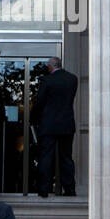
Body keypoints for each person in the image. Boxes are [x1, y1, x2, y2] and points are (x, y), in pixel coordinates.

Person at [32, 56, 78, 197]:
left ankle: (44, 190)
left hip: (48, 125)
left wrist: (33, 118)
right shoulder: (72, 79)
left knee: (46, 157)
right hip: (66, 124)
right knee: (66, 157)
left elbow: (39, 102)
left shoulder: (47, 80)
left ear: (50, 67)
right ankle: (69, 189)